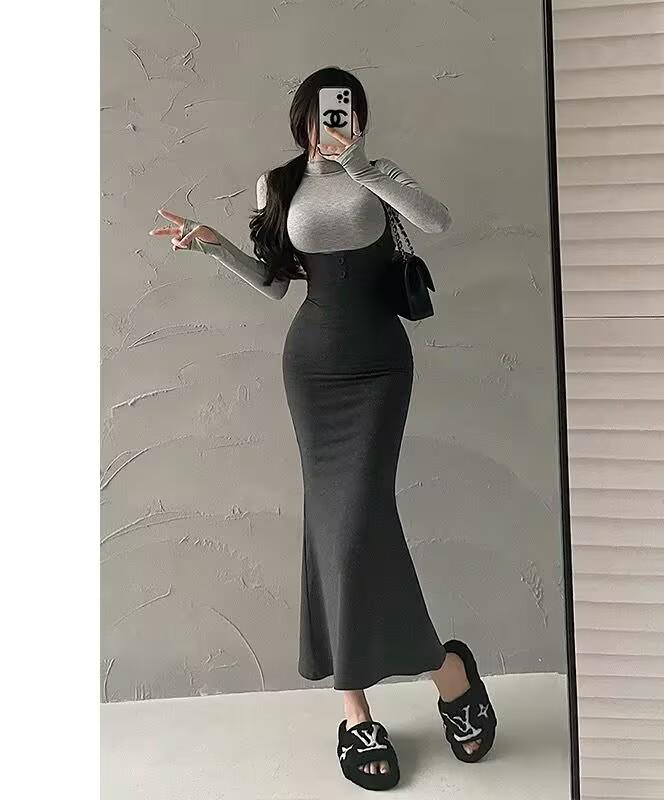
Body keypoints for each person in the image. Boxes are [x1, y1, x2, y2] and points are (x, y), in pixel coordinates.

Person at [149, 65, 497, 790]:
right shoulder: (277, 185)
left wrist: (364, 168)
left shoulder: (377, 173)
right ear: (300, 118)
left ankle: (445, 668)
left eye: (341, 112)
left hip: (379, 367)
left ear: (356, 117)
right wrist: (214, 246)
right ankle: (358, 707)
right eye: (318, 113)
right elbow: (276, 284)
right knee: (333, 526)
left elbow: (437, 221)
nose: (328, 125)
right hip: (312, 369)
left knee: (359, 520)